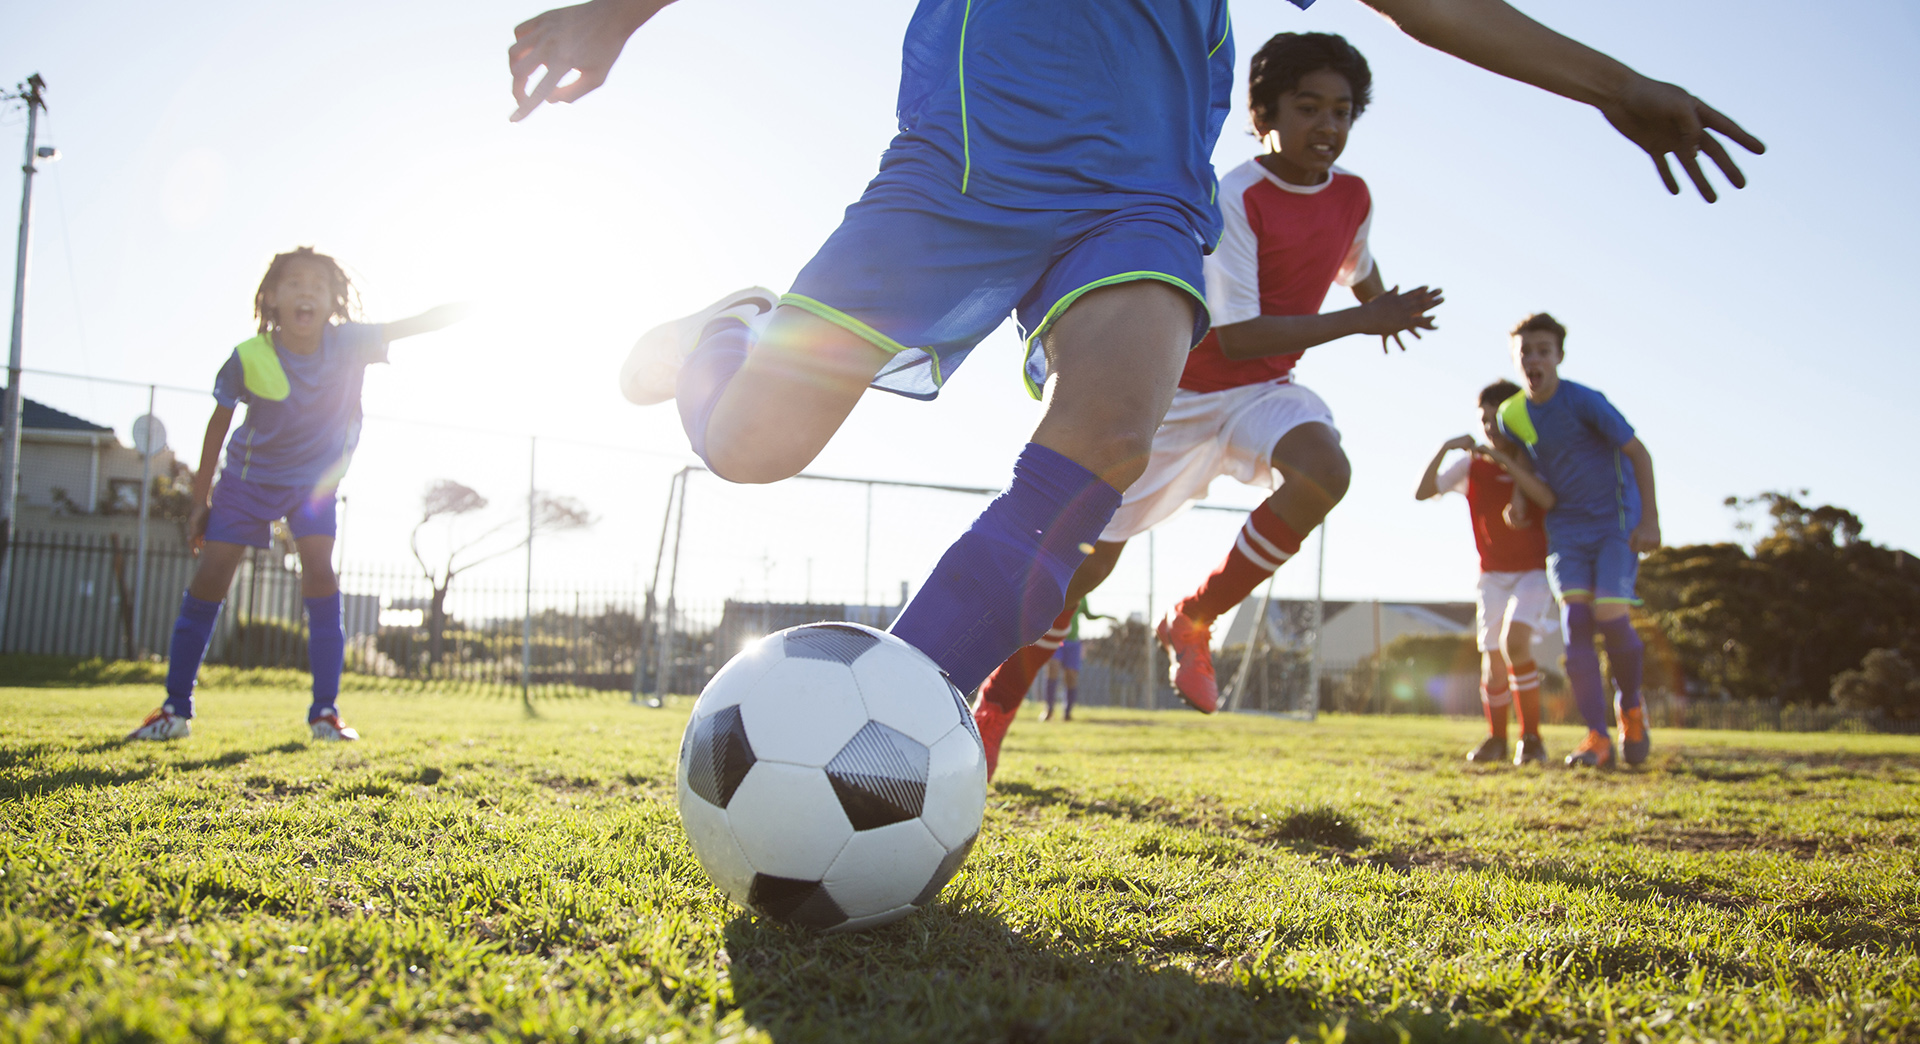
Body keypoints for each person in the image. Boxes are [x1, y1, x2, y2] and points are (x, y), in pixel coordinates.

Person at [506, 0, 1761, 758]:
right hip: (952, 175)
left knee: (1108, 437)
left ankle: (901, 714)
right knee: (752, 448)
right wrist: (614, 16)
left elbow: (1422, 6)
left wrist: (1620, 86)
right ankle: (736, 328)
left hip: (1140, 199)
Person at [971, 30, 1441, 758]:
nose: (1327, 126)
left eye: (1342, 111)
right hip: (1182, 394)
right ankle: (996, 707)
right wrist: (1364, 319)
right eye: (1308, 108)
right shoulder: (1237, 196)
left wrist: (1387, 306)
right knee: (1086, 564)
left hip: (1262, 394)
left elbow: (1356, 264)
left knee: (1326, 469)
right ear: (1266, 118)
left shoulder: (1354, 195)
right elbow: (1241, 336)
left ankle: (1194, 618)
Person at [127, 248, 465, 743]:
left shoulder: (351, 341)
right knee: (212, 576)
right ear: (271, 298)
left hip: (313, 484)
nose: (306, 291)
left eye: (317, 284)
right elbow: (217, 427)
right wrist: (201, 501)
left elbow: (416, 323)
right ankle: (175, 709)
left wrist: (476, 305)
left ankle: (325, 712)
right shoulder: (249, 356)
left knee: (320, 575)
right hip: (247, 480)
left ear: (332, 300)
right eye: (293, 283)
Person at [1497, 313, 1658, 767]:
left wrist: (1651, 522)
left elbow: (1638, 453)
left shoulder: (1586, 402)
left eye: (1543, 351)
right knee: (1576, 624)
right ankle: (1596, 737)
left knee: (1609, 613)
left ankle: (1631, 707)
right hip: (1565, 529)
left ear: (1559, 357)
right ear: (1516, 357)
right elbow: (1525, 458)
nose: (1533, 359)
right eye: (1525, 351)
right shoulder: (1513, 413)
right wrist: (1519, 499)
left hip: (1614, 522)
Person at [1415, 379, 1559, 766]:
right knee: (1492, 656)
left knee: (1516, 643)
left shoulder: (1535, 460)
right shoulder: (1471, 465)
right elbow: (1423, 492)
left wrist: (1514, 475)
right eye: (1485, 421)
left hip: (1532, 571)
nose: (1491, 428)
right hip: (1491, 575)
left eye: (1498, 420)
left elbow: (1546, 499)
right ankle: (1496, 738)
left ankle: (1531, 739)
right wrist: (1446, 448)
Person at [1037, 597, 1108, 723]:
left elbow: (1088, 615)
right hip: (1057, 639)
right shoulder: (1060, 589)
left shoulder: (1083, 595)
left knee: (1071, 676)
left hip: (1073, 642)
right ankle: (1048, 710)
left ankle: (1068, 713)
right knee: (1052, 669)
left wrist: (1105, 616)